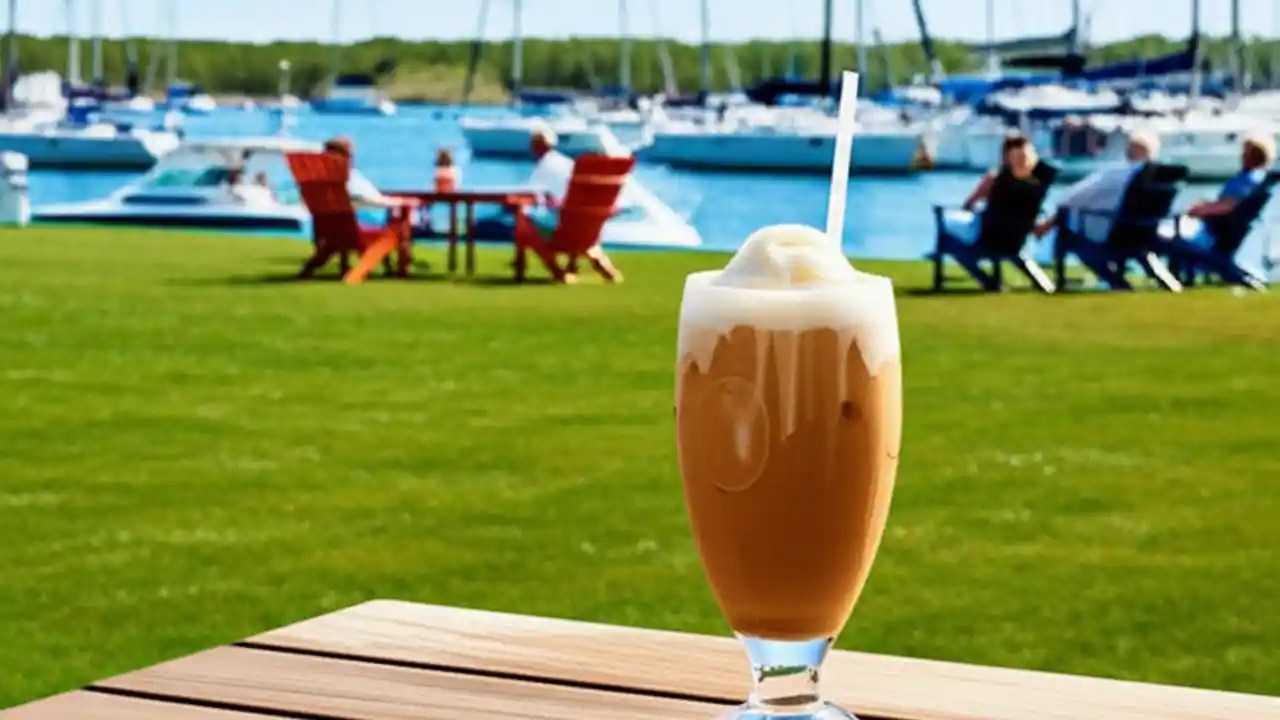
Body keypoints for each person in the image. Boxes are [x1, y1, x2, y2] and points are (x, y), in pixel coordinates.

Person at [525, 123, 623, 281]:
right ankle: (598, 262)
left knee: (526, 225)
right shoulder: (568, 164)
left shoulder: (544, 168)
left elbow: (532, 196)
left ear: (536, 146)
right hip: (585, 225)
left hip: (564, 225)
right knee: (575, 223)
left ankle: (558, 272)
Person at [1053, 129, 1161, 242]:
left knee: (1065, 213)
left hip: (1110, 235)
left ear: (1128, 150)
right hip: (1145, 233)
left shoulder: (1117, 174)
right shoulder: (1159, 178)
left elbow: (1070, 197)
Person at [943, 133, 1051, 243]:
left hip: (987, 238)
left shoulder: (994, 179)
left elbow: (969, 204)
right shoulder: (1034, 185)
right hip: (1014, 241)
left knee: (947, 222)